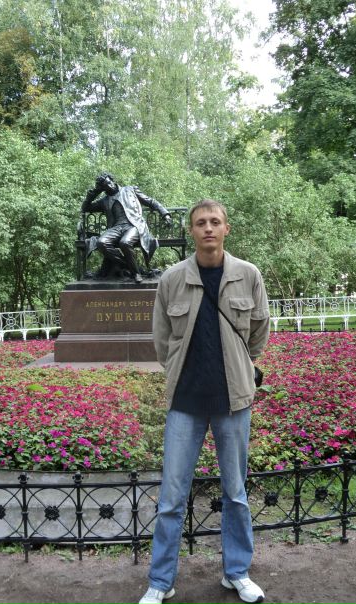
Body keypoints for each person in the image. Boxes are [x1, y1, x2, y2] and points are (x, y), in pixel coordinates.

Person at [139, 199, 270, 604]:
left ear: (226, 228)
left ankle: (237, 573)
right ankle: (161, 581)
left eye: (215, 222)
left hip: (234, 401)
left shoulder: (248, 275)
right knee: (172, 498)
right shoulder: (172, 280)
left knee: (236, 493)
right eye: (200, 223)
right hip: (185, 401)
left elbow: (259, 330)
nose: (208, 228)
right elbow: (162, 339)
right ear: (191, 231)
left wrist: (238, 364)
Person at [81, 173, 172, 283]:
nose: (109, 186)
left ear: (113, 180)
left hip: (134, 225)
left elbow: (150, 201)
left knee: (125, 242)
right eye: (105, 186)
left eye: (109, 182)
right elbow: (85, 208)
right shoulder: (104, 200)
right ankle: (131, 266)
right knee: (101, 242)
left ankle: (136, 273)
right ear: (103, 189)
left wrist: (165, 214)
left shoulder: (130, 190)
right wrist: (94, 193)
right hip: (116, 228)